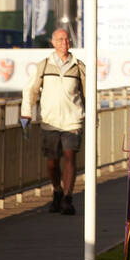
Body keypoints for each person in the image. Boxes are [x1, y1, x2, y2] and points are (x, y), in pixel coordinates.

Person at [20, 27, 85, 215]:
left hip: (73, 121)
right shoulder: (44, 65)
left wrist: (92, 117)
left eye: (66, 40)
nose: (64, 43)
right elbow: (30, 90)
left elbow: (89, 93)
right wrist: (26, 114)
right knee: (52, 162)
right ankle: (57, 190)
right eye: (60, 40)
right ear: (53, 43)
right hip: (50, 121)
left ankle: (67, 197)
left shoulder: (78, 66)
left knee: (70, 157)